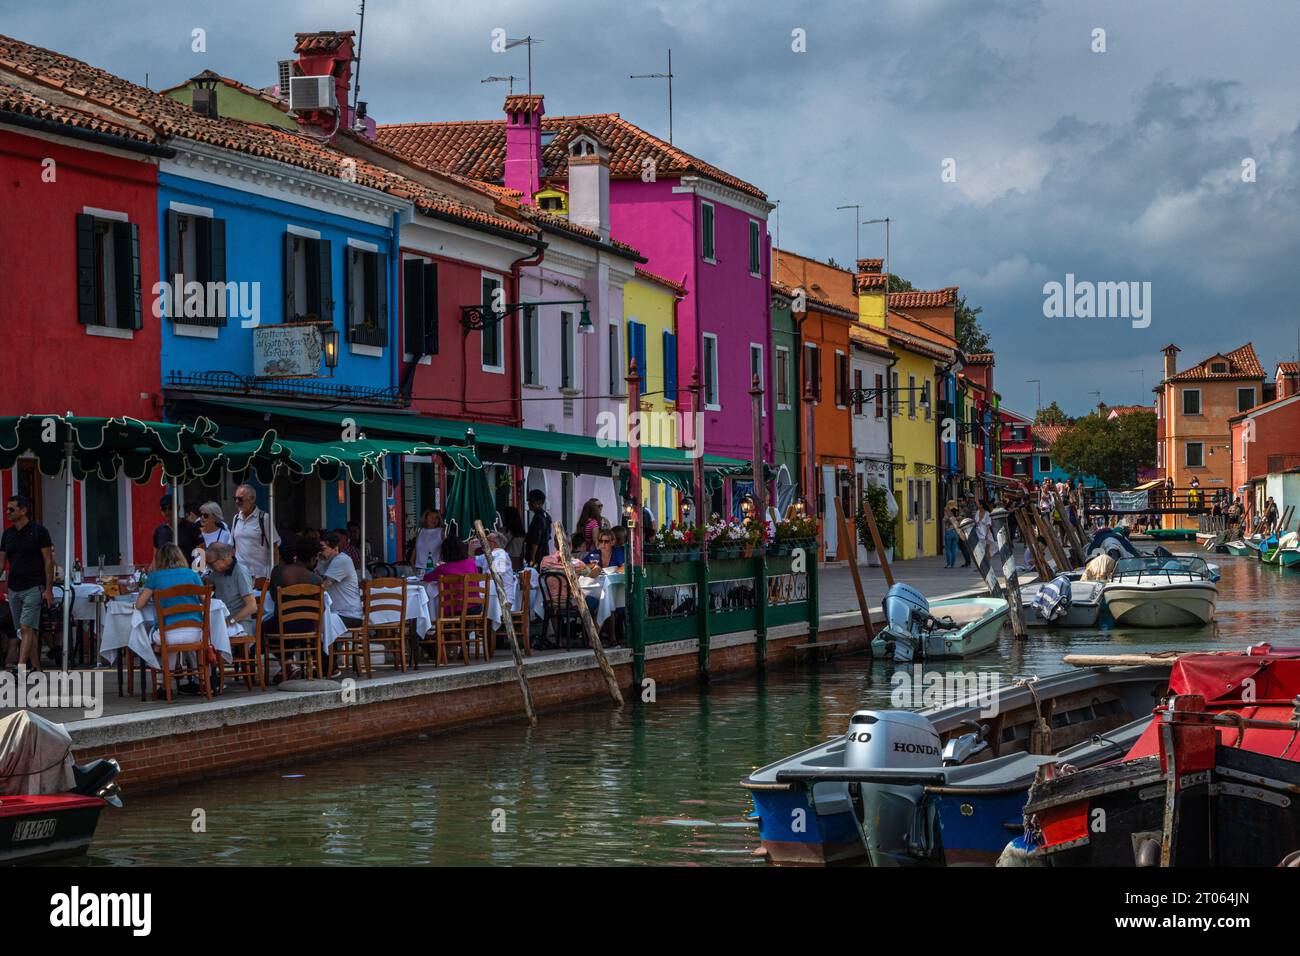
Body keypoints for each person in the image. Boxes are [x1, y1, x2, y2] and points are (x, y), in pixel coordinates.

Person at [135, 544, 205, 695]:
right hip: (195, 633)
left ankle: (166, 686)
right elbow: (204, 599)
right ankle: (203, 681)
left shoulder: (154, 577)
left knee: (166, 637)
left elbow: (140, 604)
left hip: (168, 634)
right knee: (180, 640)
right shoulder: (192, 574)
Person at [0, 494, 54, 672]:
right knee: (26, 630)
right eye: (7, 509)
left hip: (34, 586)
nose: (7, 512)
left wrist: (48, 589)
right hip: (14, 587)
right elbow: (1, 563)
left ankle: (21, 668)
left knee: (25, 627)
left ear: (23, 511)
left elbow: (48, 561)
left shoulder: (39, 531)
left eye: (11, 509)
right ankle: (37, 669)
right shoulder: (7, 534)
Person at [203, 543, 258, 638]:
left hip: (240, 623)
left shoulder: (240, 571)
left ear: (223, 559)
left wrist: (231, 621)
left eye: (210, 564)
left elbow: (252, 606)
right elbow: (206, 582)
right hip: (223, 622)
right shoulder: (217, 573)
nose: (209, 567)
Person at [230, 484, 280, 583]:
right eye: (235, 498)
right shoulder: (236, 518)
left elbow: (275, 549)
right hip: (240, 574)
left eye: (240, 499)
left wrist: (273, 575)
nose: (237, 502)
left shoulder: (264, 518)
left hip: (261, 576)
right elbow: (232, 547)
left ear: (252, 499)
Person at [317, 532, 363, 628]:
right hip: (335, 613)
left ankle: (329, 643)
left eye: (323, 549)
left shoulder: (342, 560)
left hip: (348, 615)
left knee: (314, 624)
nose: (320, 552)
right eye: (319, 549)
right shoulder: (325, 560)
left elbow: (324, 585)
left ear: (335, 548)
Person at [408, 508, 444, 573]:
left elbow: (445, 550)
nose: (434, 520)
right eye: (431, 517)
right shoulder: (420, 531)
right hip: (418, 568)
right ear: (426, 518)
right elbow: (416, 548)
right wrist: (412, 562)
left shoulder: (441, 532)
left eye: (436, 517)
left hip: (434, 568)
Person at [524, 488, 553, 566]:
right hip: (545, 554)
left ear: (539, 502)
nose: (529, 503)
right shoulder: (547, 516)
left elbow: (535, 540)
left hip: (537, 556)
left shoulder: (538, 518)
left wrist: (532, 558)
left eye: (531, 501)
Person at [498, 506, 527, 571]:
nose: (502, 518)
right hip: (518, 561)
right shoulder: (521, 531)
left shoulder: (506, 531)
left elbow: (500, 546)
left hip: (507, 560)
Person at [942, 500, 961, 568]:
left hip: (948, 532)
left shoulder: (947, 513)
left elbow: (944, 520)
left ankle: (948, 563)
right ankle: (953, 564)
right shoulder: (957, 512)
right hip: (955, 531)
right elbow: (959, 519)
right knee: (955, 548)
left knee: (948, 548)